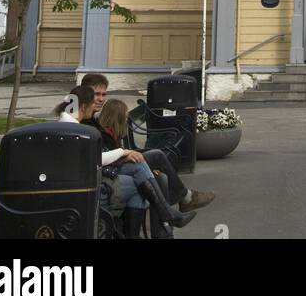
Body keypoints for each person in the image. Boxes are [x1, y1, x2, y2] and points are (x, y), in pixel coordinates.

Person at [81, 70, 214, 211]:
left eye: (103, 94)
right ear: (85, 93)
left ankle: (169, 221)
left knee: (157, 167)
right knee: (155, 159)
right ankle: (182, 201)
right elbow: (98, 155)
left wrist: (124, 153)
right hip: (105, 170)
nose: (101, 99)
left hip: (111, 163)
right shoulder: (82, 119)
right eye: (97, 94)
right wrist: (124, 154)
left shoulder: (92, 117)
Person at [96, 98, 198, 239]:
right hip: (108, 173)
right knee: (152, 158)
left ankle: (164, 224)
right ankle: (171, 211)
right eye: (125, 117)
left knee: (159, 176)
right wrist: (124, 156)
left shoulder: (111, 132)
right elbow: (103, 161)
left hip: (117, 167)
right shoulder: (102, 134)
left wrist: (141, 166)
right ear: (118, 118)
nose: (127, 120)